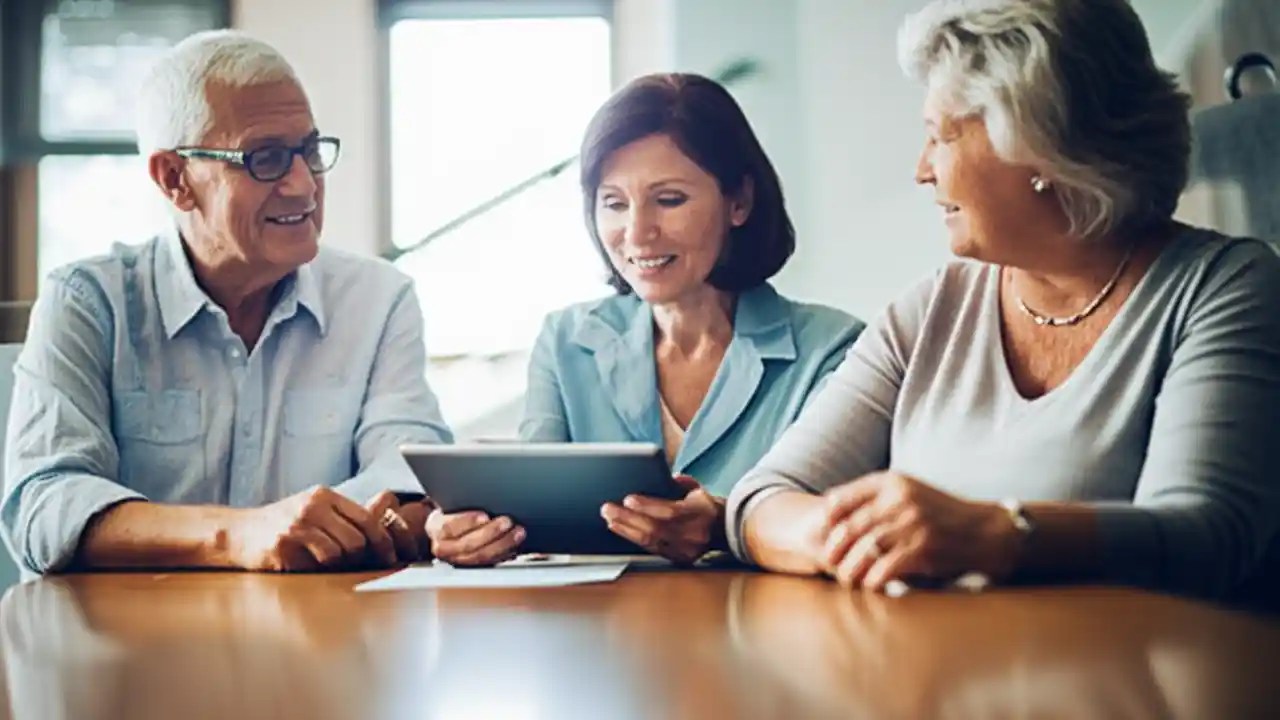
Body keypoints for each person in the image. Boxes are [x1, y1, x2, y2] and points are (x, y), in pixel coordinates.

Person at [727, 0, 1280, 602]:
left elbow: (1207, 538)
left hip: (1129, 685)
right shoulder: (933, 308)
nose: (921, 170)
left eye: (939, 136)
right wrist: (855, 538)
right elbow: (761, 499)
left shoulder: (1225, 286)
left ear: (1037, 142)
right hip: (934, 677)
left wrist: (995, 533)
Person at [1, 30, 452, 575]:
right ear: (175, 179)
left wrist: (401, 517)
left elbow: (412, 483)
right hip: (124, 648)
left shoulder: (379, 300)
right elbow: (43, 507)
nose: (304, 185)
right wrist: (238, 534)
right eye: (266, 158)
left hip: (314, 642)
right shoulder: (88, 302)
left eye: (310, 150)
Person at [427, 73, 864, 566]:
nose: (637, 234)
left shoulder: (834, 349)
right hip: (603, 630)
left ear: (738, 201)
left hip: (766, 627)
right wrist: (469, 528)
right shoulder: (566, 340)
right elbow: (532, 515)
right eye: (613, 203)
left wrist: (723, 525)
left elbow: (833, 520)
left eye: (669, 199)